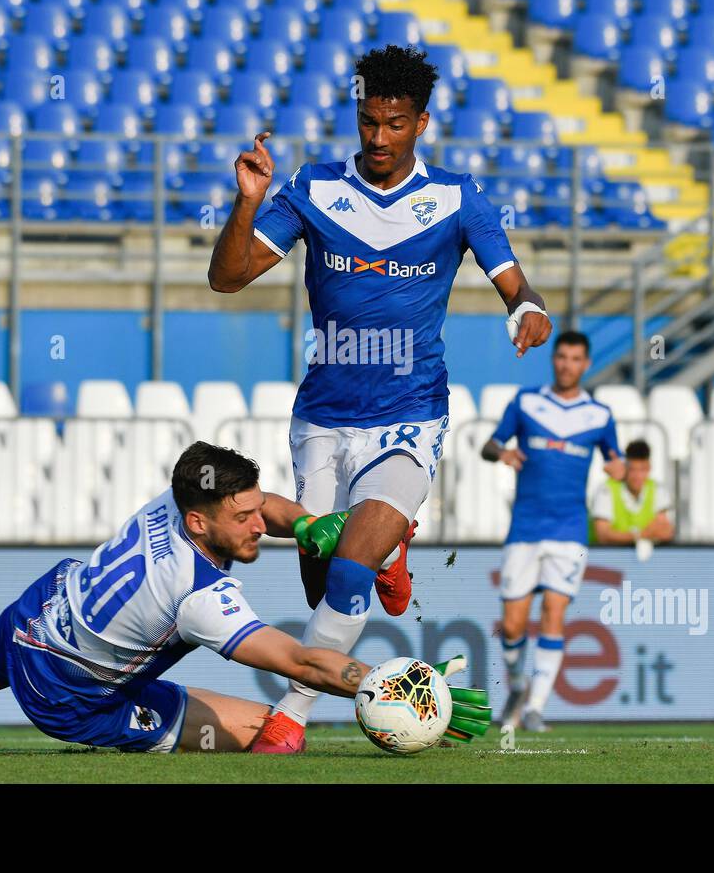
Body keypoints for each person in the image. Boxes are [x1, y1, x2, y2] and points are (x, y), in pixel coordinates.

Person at [207, 44, 551, 752]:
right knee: (321, 584)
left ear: (421, 122)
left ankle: (290, 717)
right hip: (325, 419)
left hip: (410, 416)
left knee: (352, 567)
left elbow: (515, 282)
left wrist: (526, 312)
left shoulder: (457, 199)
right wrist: (246, 205)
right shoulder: (314, 189)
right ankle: (388, 554)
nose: (379, 139)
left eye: (394, 125)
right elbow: (228, 278)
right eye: (368, 123)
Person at [0, 443, 490, 752]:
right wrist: (394, 687)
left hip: (40, 614)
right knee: (259, 732)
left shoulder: (176, 503)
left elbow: (270, 508)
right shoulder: (196, 597)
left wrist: (315, 522)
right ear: (201, 521)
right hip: (72, 692)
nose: (262, 524)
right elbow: (300, 663)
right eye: (245, 518)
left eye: (260, 510)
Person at [480, 331, 623, 732]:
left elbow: (619, 460)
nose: (567, 365)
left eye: (575, 359)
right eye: (561, 357)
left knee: (554, 614)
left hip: (570, 530)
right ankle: (518, 686)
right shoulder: (527, 402)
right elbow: (488, 445)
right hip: (525, 527)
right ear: (553, 360)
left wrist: (620, 470)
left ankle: (536, 708)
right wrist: (503, 452)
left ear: (586, 364)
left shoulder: (600, 415)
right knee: (512, 624)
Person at [590, 438, 674, 559]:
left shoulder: (658, 490)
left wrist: (624, 536)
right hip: (609, 560)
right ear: (625, 467)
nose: (637, 476)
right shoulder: (606, 490)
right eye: (633, 469)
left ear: (649, 468)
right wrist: (641, 536)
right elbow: (602, 534)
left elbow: (665, 531)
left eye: (642, 469)